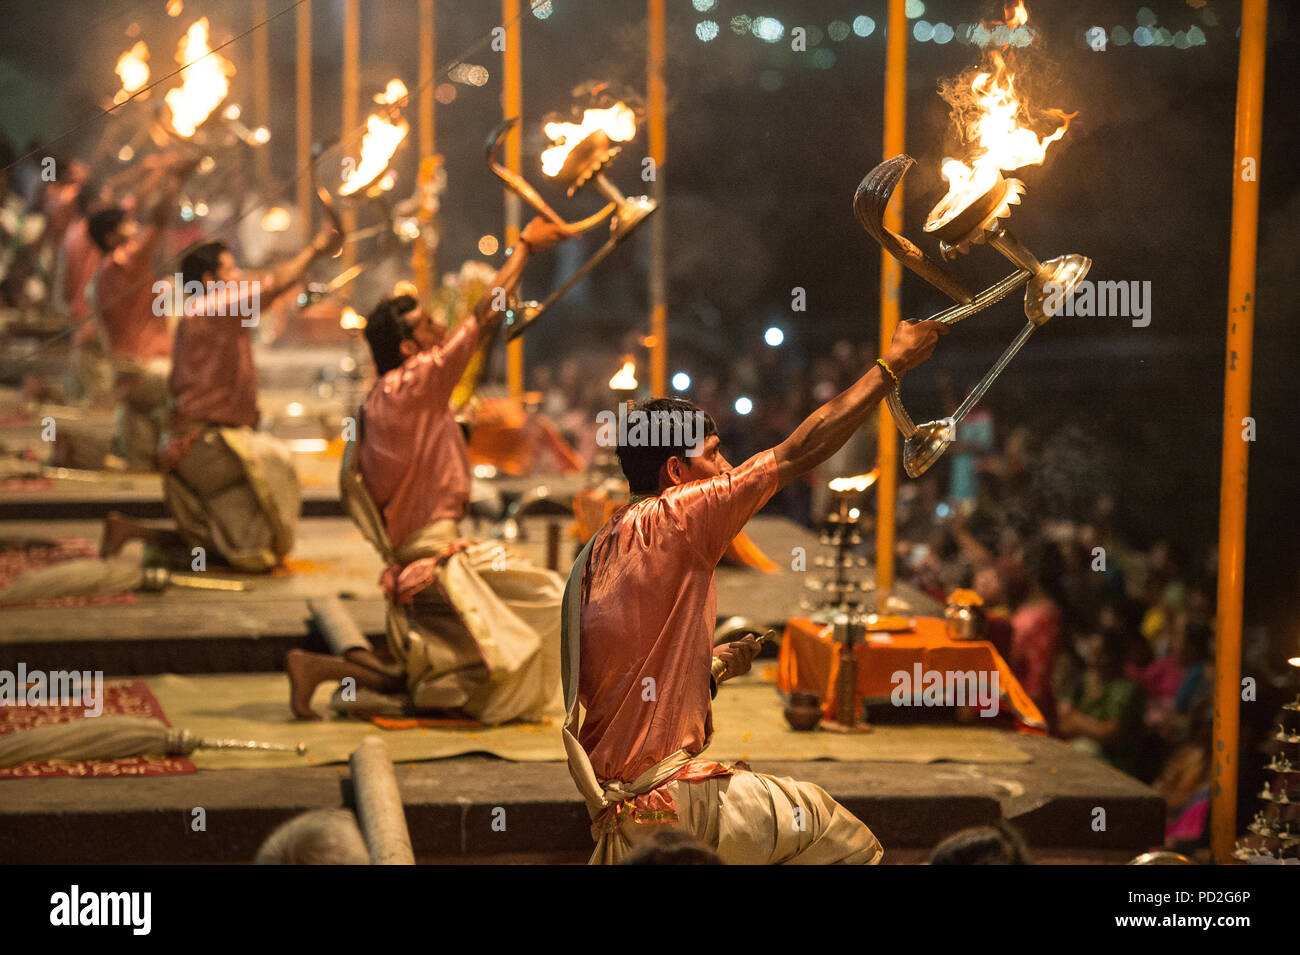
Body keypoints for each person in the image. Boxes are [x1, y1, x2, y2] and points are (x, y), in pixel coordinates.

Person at [562, 318, 944, 864]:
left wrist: (709, 668)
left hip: (622, 809)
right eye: (714, 455)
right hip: (674, 801)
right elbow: (797, 452)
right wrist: (893, 366)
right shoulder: (681, 515)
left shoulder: (602, 545)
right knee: (841, 837)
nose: (727, 468)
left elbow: (625, 673)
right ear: (675, 470)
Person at [286, 216, 573, 724]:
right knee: (548, 599)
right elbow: (485, 317)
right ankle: (486, 702)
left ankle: (319, 668)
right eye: (425, 326)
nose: (439, 327)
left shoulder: (389, 396)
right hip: (435, 558)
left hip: (427, 552)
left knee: (440, 670)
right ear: (408, 348)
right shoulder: (414, 383)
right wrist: (525, 249)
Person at [100, 222, 343, 570]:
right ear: (211, 281)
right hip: (205, 446)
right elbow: (275, 284)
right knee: (276, 468)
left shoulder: (213, 312)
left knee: (243, 544)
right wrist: (317, 247)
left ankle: (132, 531)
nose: (240, 275)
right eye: (232, 270)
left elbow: (272, 289)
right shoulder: (212, 308)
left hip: (199, 441)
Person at [86, 155, 193, 468]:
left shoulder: (105, 270)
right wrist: (175, 181)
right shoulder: (127, 261)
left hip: (129, 377)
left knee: (142, 464)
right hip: (151, 372)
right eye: (126, 225)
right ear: (111, 237)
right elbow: (159, 220)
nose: (133, 228)